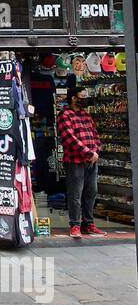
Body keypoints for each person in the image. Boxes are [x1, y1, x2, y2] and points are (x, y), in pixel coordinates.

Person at [57, 85, 104, 238]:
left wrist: (96, 150)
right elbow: (70, 138)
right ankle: (75, 225)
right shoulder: (64, 115)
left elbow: (95, 135)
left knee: (91, 192)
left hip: (91, 161)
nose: (84, 99)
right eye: (82, 96)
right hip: (75, 161)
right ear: (73, 98)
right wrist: (89, 152)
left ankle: (88, 224)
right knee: (75, 194)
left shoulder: (86, 115)